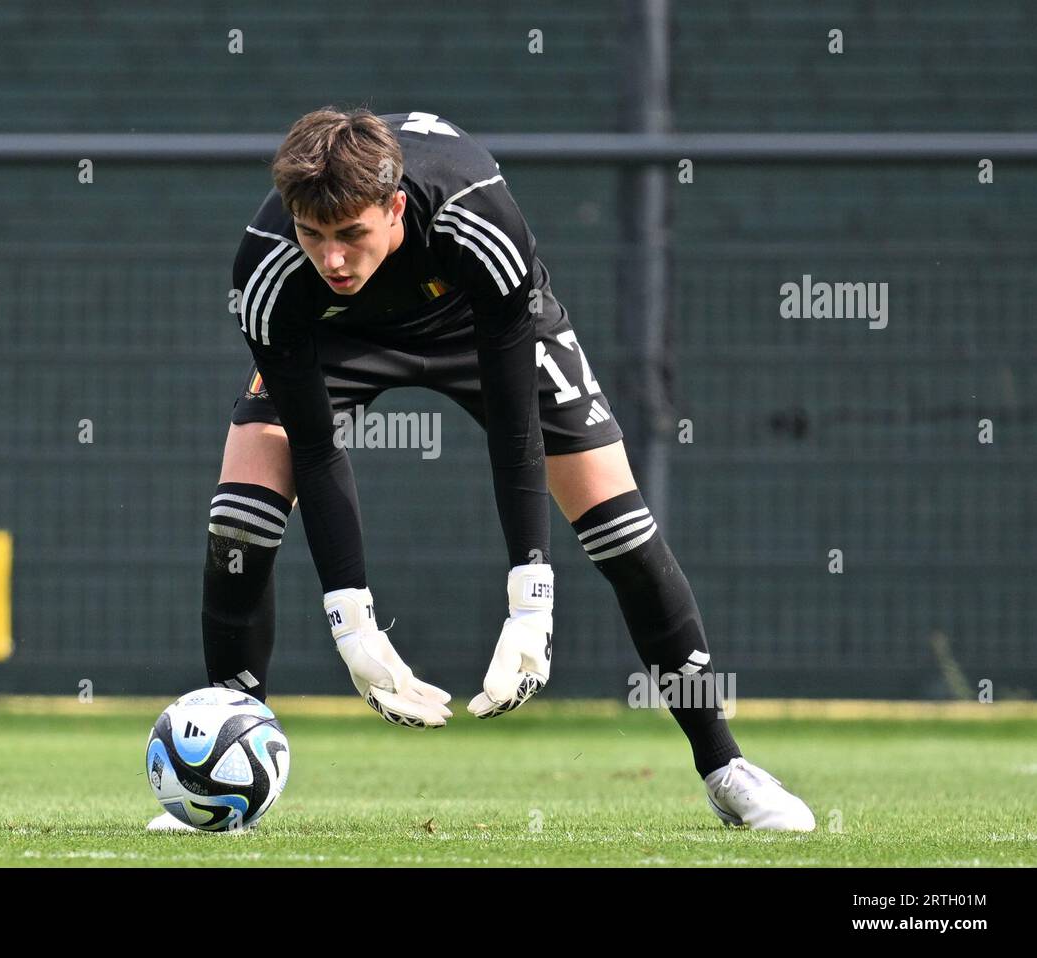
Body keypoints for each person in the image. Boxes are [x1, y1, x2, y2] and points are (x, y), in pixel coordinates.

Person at [150, 108, 814, 833]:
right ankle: (221, 769)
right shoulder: (273, 266)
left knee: (621, 530)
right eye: (313, 234)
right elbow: (315, 446)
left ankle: (725, 767)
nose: (332, 258)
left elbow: (516, 426)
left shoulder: (478, 220)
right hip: (334, 341)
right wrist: (352, 623)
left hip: (477, 321)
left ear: (395, 205)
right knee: (238, 521)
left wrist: (532, 601)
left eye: (351, 235)